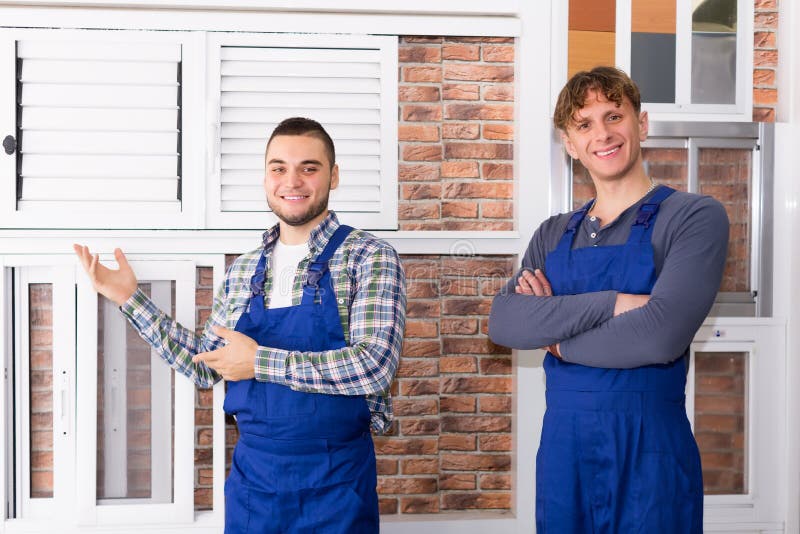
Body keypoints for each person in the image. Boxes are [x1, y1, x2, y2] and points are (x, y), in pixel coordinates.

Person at [74, 117, 406, 534]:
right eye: (279, 167)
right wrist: (130, 298)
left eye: (309, 167)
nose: (293, 180)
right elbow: (205, 365)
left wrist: (259, 363)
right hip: (255, 486)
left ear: (333, 175)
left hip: (336, 482)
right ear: (265, 177)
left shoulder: (369, 258)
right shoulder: (244, 269)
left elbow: (373, 365)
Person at [489, 66, 729, 533]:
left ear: (641, 124)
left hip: (650, 450)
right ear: (570, 143)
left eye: (613, 116)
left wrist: (556, 339)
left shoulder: (694, 216)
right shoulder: (552, 233)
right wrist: (615, 302)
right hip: (564, 450)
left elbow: (659, 336)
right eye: (584, 124)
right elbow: (506, 324)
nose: (602, 133)